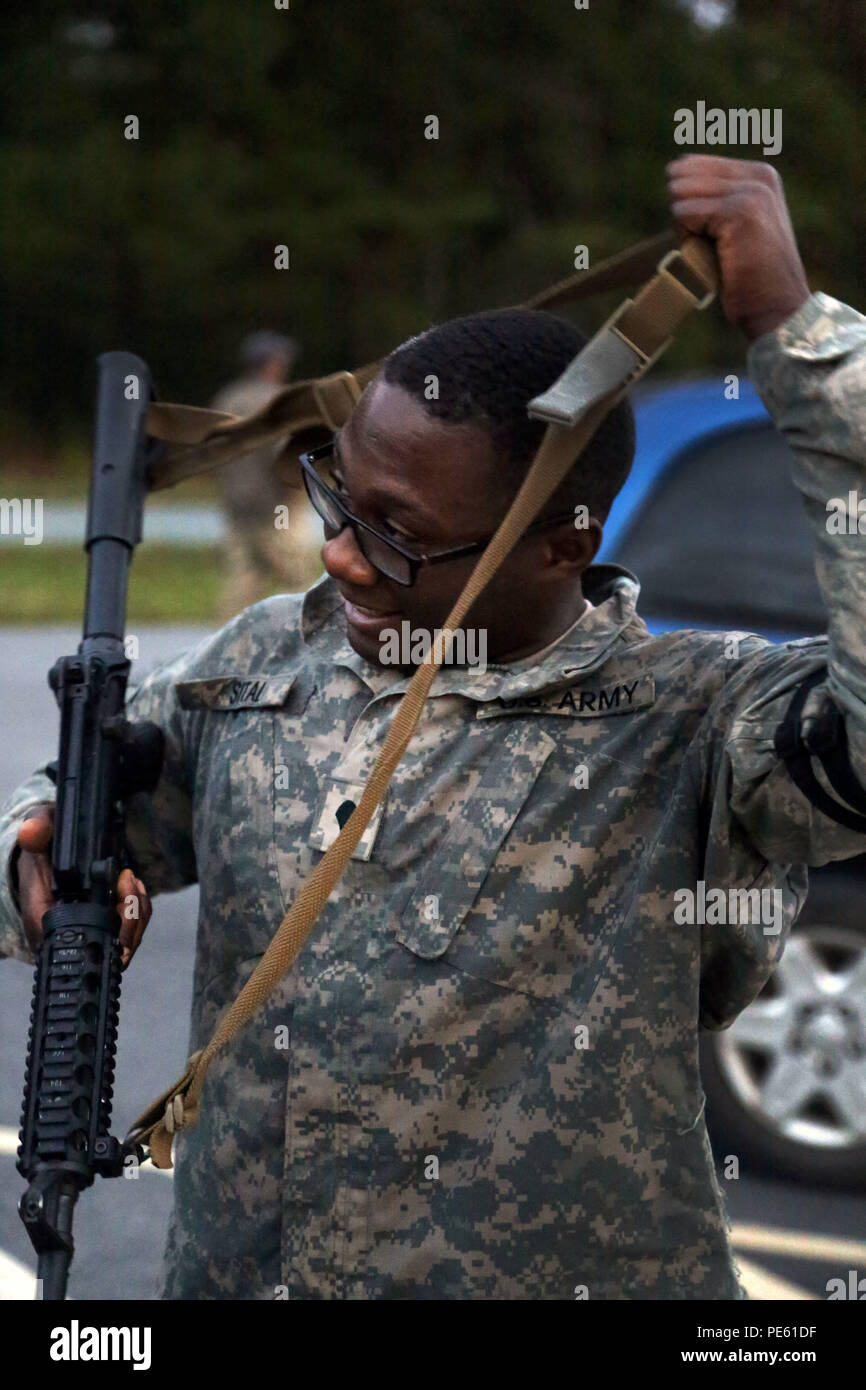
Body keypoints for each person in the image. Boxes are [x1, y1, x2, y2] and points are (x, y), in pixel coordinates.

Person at [3, 156, 866, 1299]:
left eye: (397, 534)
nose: (340, 554)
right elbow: (78, 814)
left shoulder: (695, 726)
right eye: (338, 499)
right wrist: (39, 854)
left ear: (562, 542)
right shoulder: (272, 650)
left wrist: (799, 342)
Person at [212, 330, 320, 621]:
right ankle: (300, 646)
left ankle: (229, 650)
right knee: (300, 583)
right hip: (278, 508)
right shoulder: (277, 401)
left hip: (238, 507)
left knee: (242, 585)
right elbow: (285, 457)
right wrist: (297, 498)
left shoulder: (229, 399)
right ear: (272, 363)